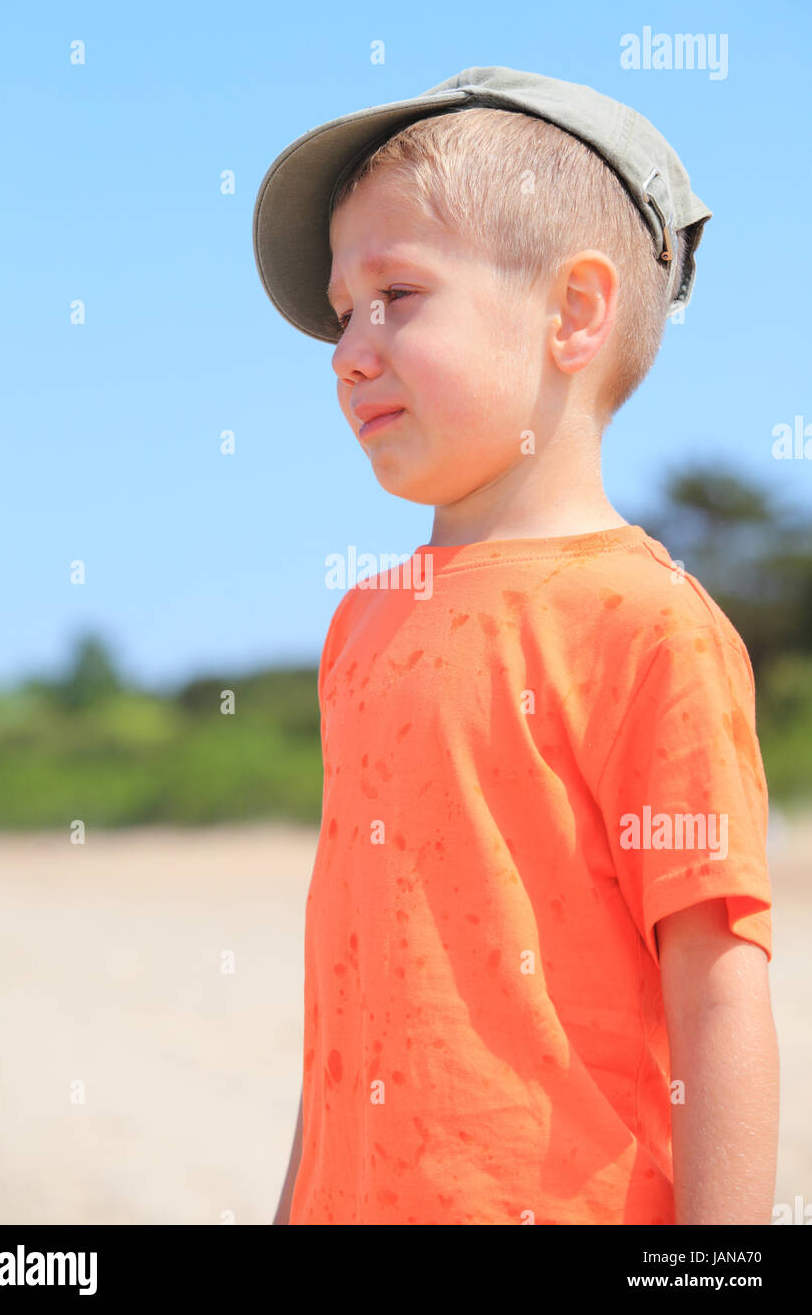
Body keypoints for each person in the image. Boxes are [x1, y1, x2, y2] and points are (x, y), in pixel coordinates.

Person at [253, 66, 778, 1225]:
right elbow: (353, 982)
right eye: (341, 312)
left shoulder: (644, 624)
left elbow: (718, 994)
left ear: (573, 313)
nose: (349, 349)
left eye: (396, 293)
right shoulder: (361, 624)